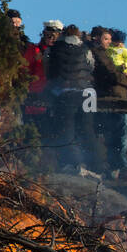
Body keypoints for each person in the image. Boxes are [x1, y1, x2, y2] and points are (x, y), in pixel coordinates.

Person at [46, 25, 95, 171]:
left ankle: (71, 163)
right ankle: (96, 164)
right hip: (87, 93)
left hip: (66, 93)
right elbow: (91, 66)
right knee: (88, 128)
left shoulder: (56, 48)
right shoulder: (85, 49)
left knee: (67, 128)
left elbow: (49, 69)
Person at [89, 26, 127, 177]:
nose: (111, 42)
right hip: (110, 98)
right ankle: (118, 166)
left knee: (120, 133)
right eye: (107, 39)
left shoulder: (121, 54)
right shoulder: (100, 53)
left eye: (111, 39)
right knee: (116, 133)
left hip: (118, 98)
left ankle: (117, 166)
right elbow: (112, 75)